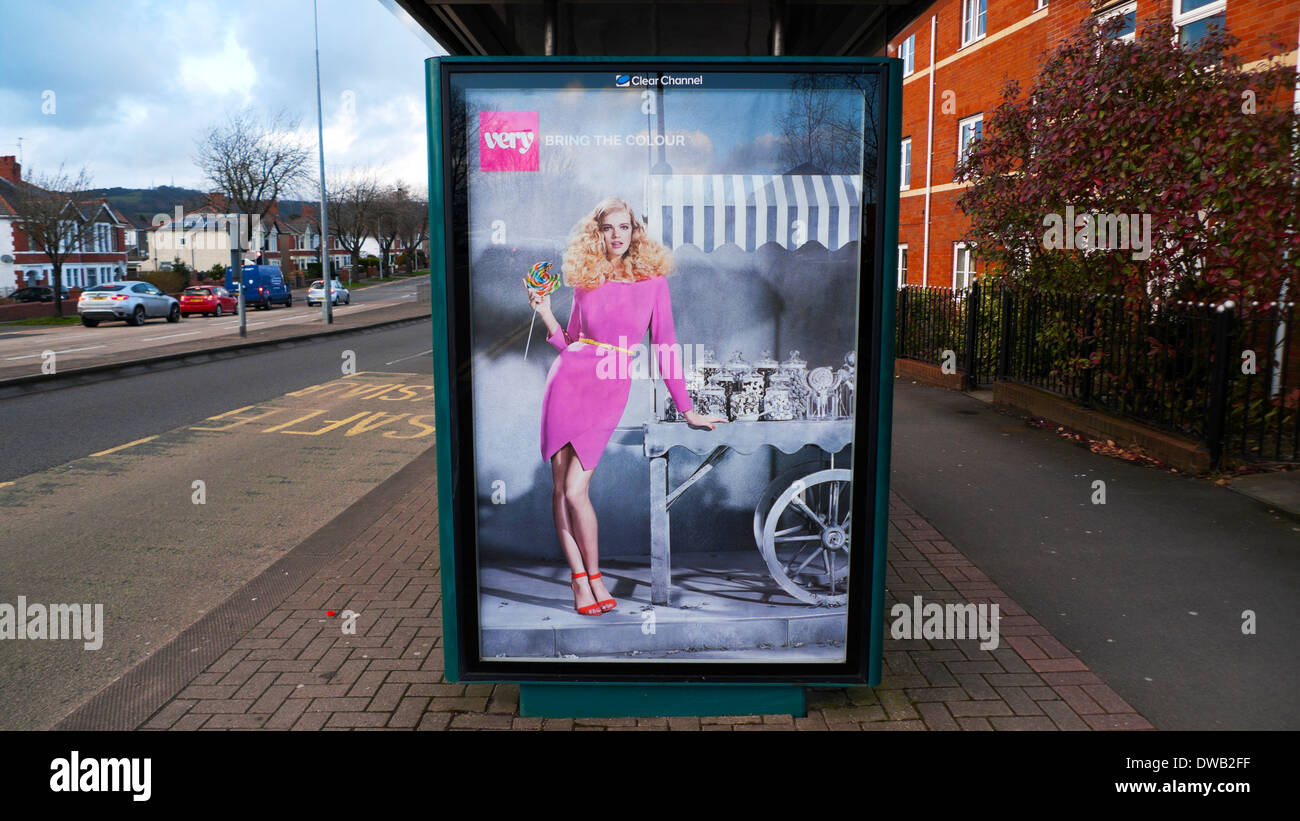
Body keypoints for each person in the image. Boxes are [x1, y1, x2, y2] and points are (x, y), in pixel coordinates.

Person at [527, 197, 726, 617]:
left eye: (624, 227)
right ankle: (582, 581)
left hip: (608, 390)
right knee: (561, 489)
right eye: (607, 228)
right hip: (566, 382)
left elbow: (666, 348)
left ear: (635, 231)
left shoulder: (653, 282)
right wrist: (546, 313)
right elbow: (572, 341)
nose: (616, 236)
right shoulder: (586, 280)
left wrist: (687, 409)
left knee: (578, 490)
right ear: (596, 233)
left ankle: (594, 576)